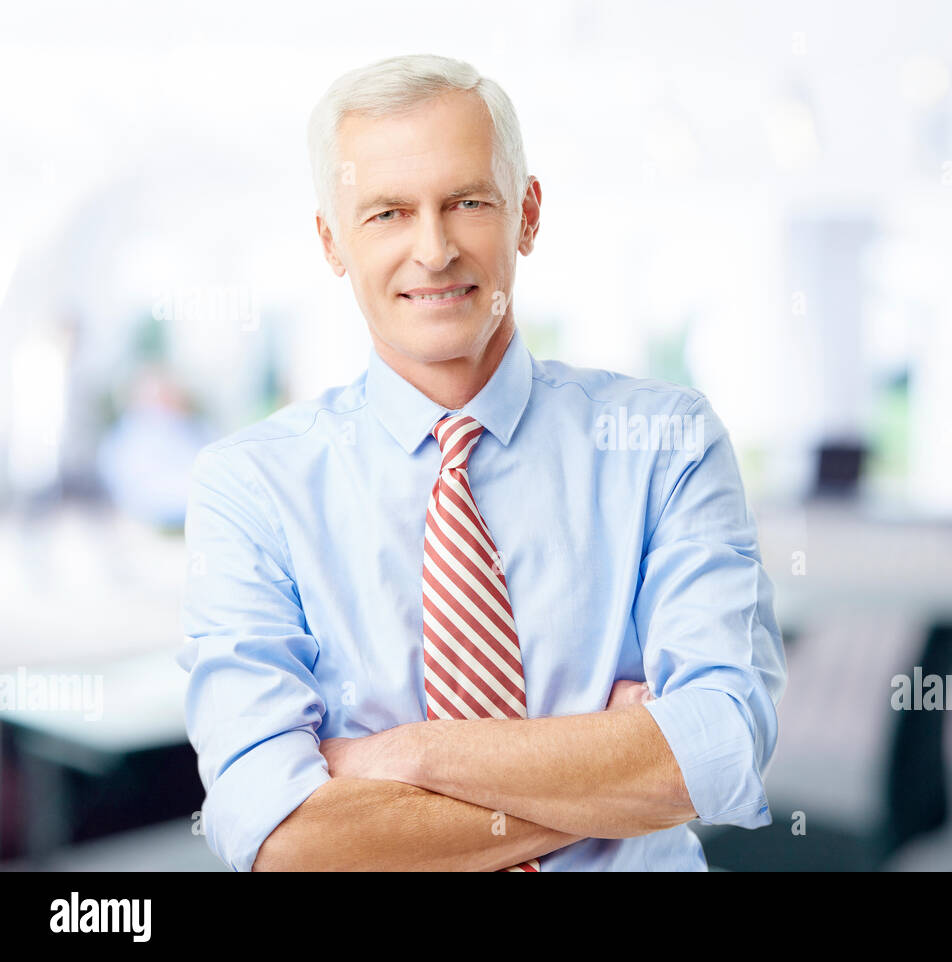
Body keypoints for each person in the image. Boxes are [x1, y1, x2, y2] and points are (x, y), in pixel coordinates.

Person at [176, 53, 786, 872]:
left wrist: (408, 756)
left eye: (467, 202)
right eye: (388, 213)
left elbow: (722, 746)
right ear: (332, 242)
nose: (433, 250)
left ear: (527, 214)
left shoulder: (664, 442)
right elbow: (284, 839)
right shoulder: (250, 487)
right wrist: (611, 773)